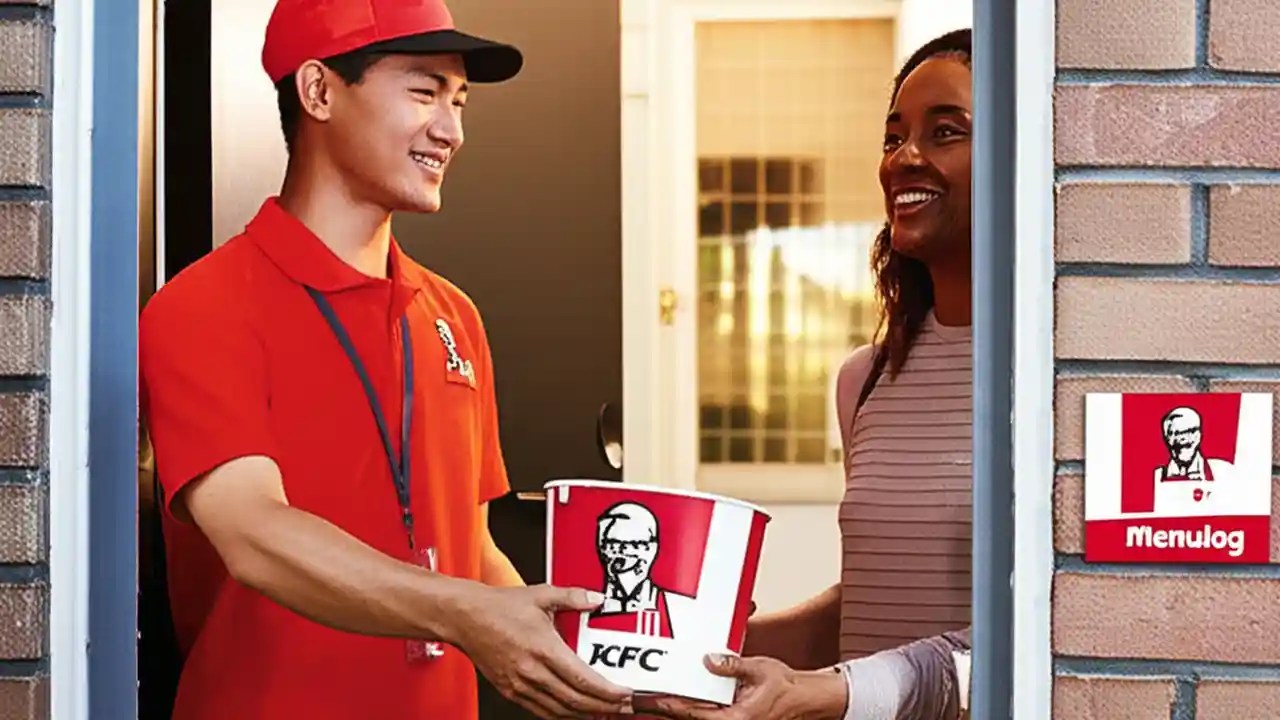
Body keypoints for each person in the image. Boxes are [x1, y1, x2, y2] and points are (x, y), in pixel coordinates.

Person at [138, 2, 634, 719]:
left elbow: (473, 551)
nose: (451, 130)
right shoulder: (204, 306)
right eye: (425, 92)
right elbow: (253, 533)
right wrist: (462, 613)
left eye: (459, 102)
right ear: (318, 91)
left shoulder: (453, 316)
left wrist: (619, 665)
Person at [637, 28, 975, 720]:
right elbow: (871, 606)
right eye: (893, 137)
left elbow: (1057, 625)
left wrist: (830, 692)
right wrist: (684, 654)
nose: (905, 158)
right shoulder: (866, 381)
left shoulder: (1053, 383)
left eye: (946, 132)